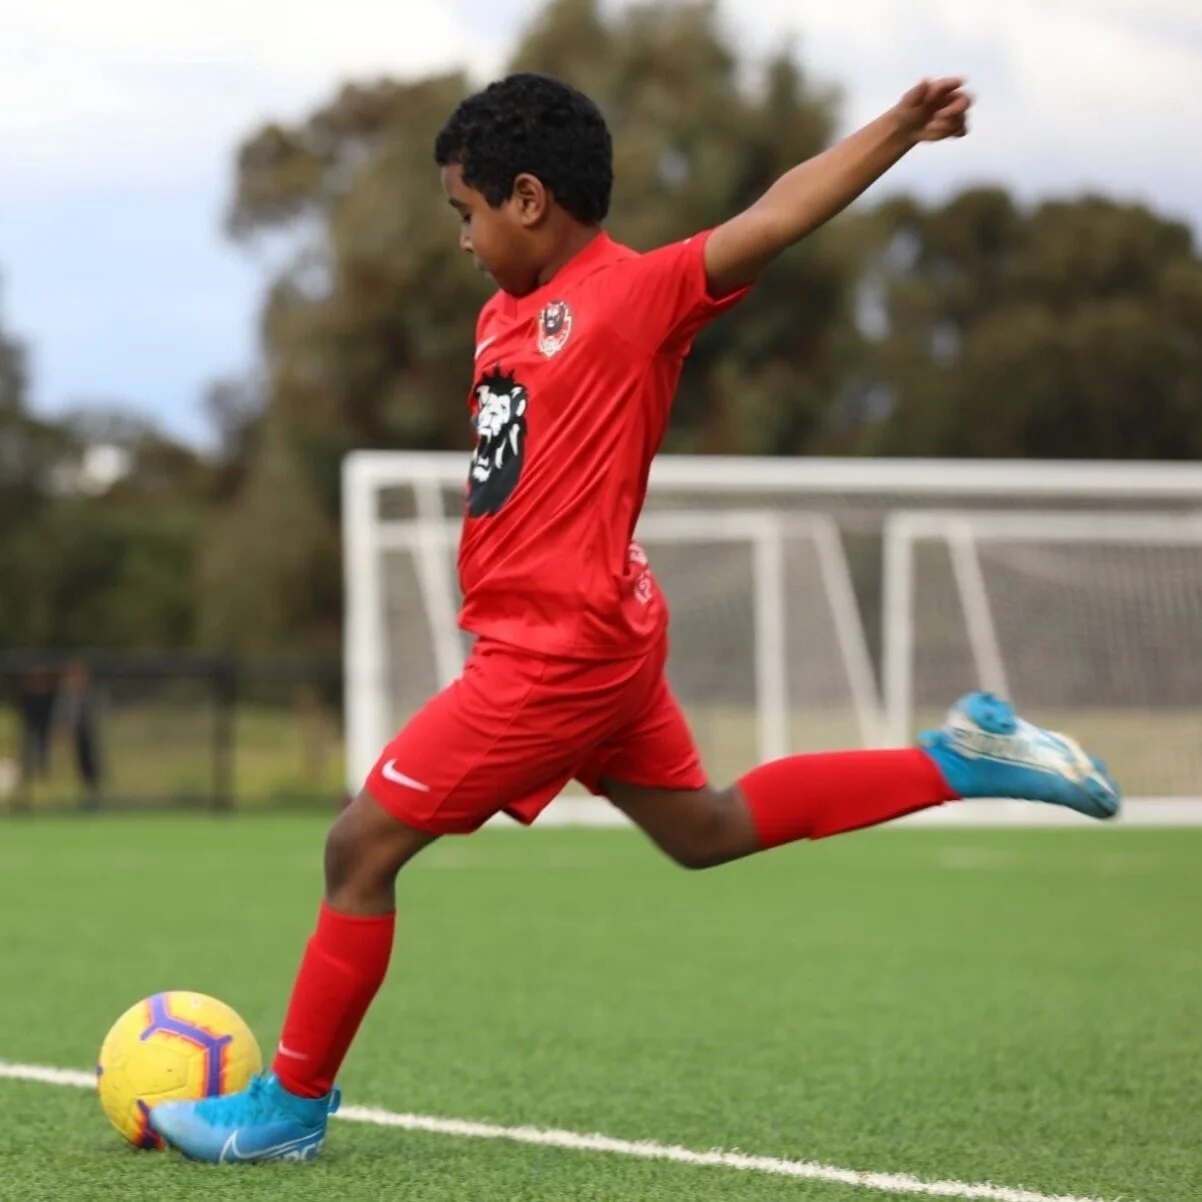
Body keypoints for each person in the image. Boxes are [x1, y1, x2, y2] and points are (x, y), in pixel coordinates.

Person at [149, 73, 1119, 1164]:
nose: (461, 239)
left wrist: (895, 130)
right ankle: (959, 757)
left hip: (554, 656)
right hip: (594, 633)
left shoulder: (634, 295)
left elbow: (774, 216)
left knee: (356, 848)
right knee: (702, 830)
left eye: (463, 212)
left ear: (527, 199)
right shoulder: (497, 313)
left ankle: (287, 1105)